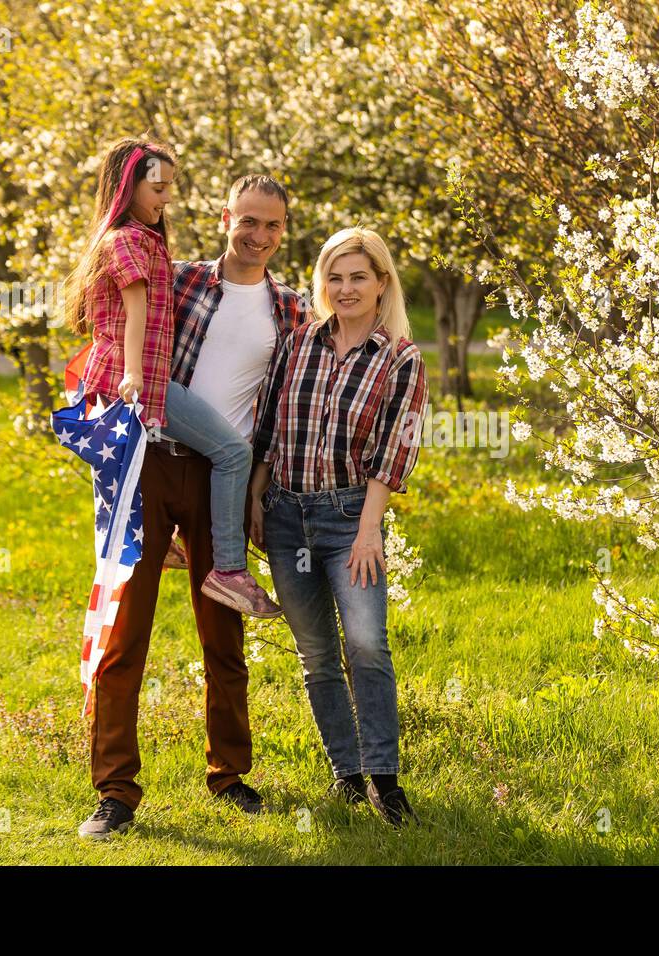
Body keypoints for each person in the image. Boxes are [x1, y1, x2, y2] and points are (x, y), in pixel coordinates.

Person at [66, 158, 311, 839]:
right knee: (126, 632)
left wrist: (260, 492)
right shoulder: (181, 277)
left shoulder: (289, 308)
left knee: (222, 636)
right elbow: (115, 336)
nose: (259, 235)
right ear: (226, 220)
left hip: (218, 482)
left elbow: (281, 411)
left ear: (282, 232)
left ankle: (229, 774)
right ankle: (115, 791)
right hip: (148, 468)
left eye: (273, 226)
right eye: (248, 221)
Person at [248, 227, 429, 827]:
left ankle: (385, 779)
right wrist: (255, 501)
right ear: (322, 283)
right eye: (335, 276)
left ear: (381, 284)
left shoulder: (400, 358)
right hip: (285, 516)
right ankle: (346, 775)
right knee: (317, 653)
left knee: (367, 645)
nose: (345, 288)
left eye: (358, 277)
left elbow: (394, 451)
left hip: (351, 516)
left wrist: (369, 529)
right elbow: (269, 431)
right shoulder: (297, 344)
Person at [62, 136, 278, 620]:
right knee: (231, 451)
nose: (166, 199)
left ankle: (167, 548)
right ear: (128, 184)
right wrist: (135, 372)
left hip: (137, 379)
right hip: (140, 380)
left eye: (169, 188)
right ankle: (228, 568)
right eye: (158, 188)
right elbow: (135, 310)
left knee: (124, 460)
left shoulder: (140, 241)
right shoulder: (128, 240)